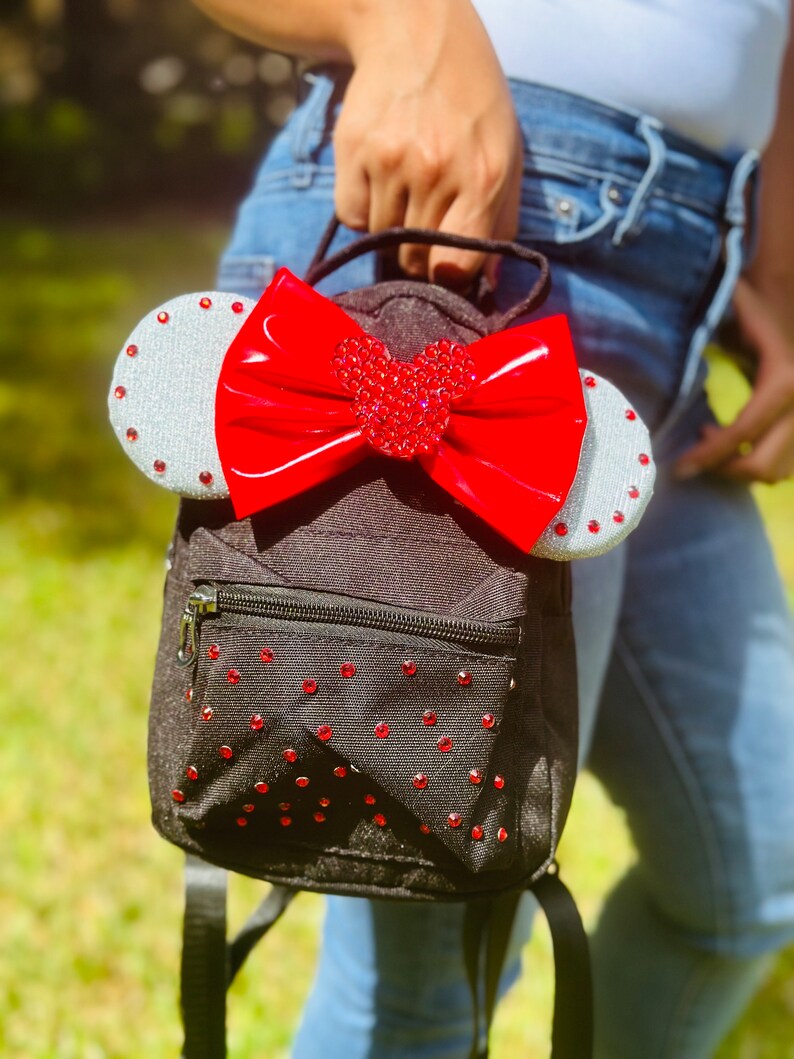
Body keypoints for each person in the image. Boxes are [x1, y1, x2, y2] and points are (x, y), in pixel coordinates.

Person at [189, 2, 794, 1055]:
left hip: (682, 290)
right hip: (448, 239)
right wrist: (391, 19)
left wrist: (769, 265)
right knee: (432, 971)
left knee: (753, 882)